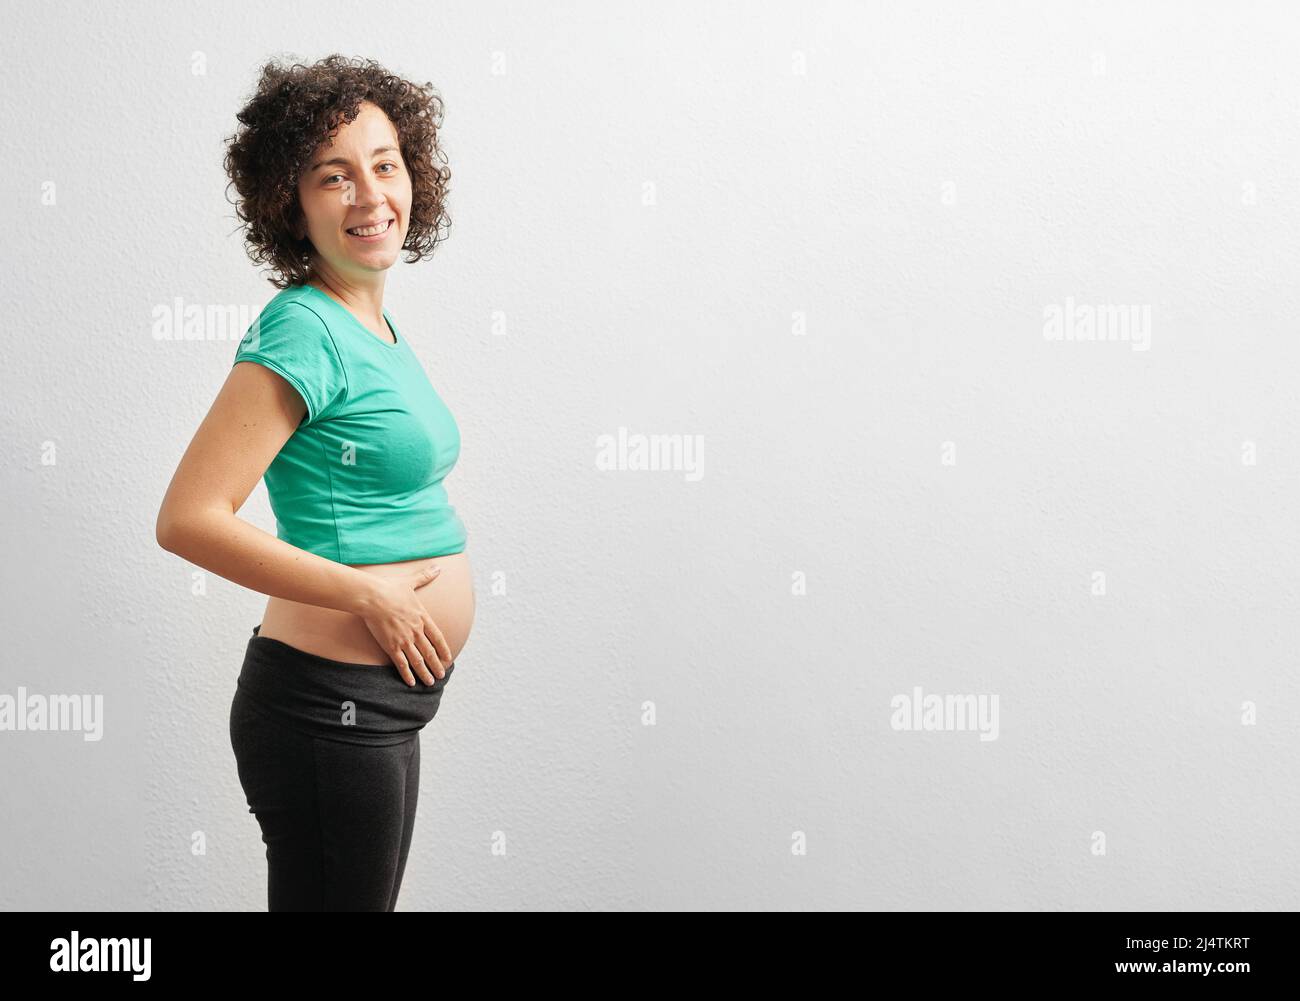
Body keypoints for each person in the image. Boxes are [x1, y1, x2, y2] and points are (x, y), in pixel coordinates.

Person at [155, 54, 474, 911]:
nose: (371, 197)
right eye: (335, 177)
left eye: (386, 164)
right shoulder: (302, 328)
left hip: (377, 708)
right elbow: (188, 518)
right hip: (327, 709)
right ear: (290, 205)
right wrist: (373, 600)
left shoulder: (368, 318)